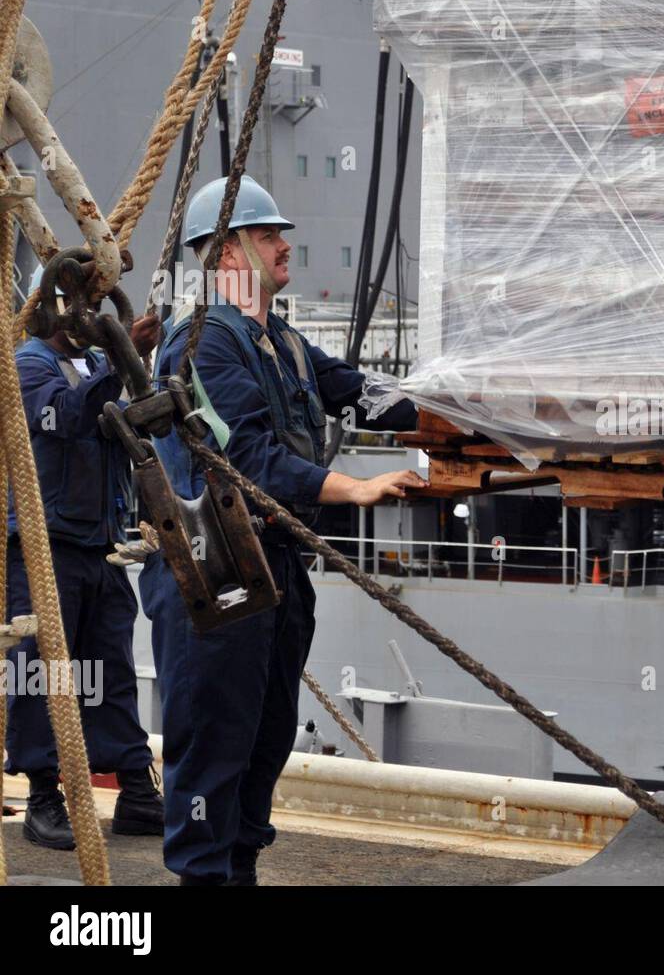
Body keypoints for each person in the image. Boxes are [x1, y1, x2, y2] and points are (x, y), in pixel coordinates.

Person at [140, 175, 425, 885]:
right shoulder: (202, 344)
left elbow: (361, 393)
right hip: (218, 567)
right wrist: (353, 486)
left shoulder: (285, 342)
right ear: (223, 254)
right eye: (267, 234)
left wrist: (461, 407)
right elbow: (246, 458)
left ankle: (239, 867)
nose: (283, 245)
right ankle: (204, 874)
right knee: (216, 736)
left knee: (266, 734)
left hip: (274, 563)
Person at [6, 266, 163, 849]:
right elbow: (68, 417)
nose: (94, 316)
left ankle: (136, 789)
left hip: (101, 547)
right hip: (43, 548)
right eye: (84, 304)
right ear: (56, 305)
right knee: (39, 672)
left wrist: (131, 367)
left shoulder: (98, 365)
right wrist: (123, 357)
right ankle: (43, 795)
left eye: (100, 306)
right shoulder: (27, 367)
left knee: (109, 671)